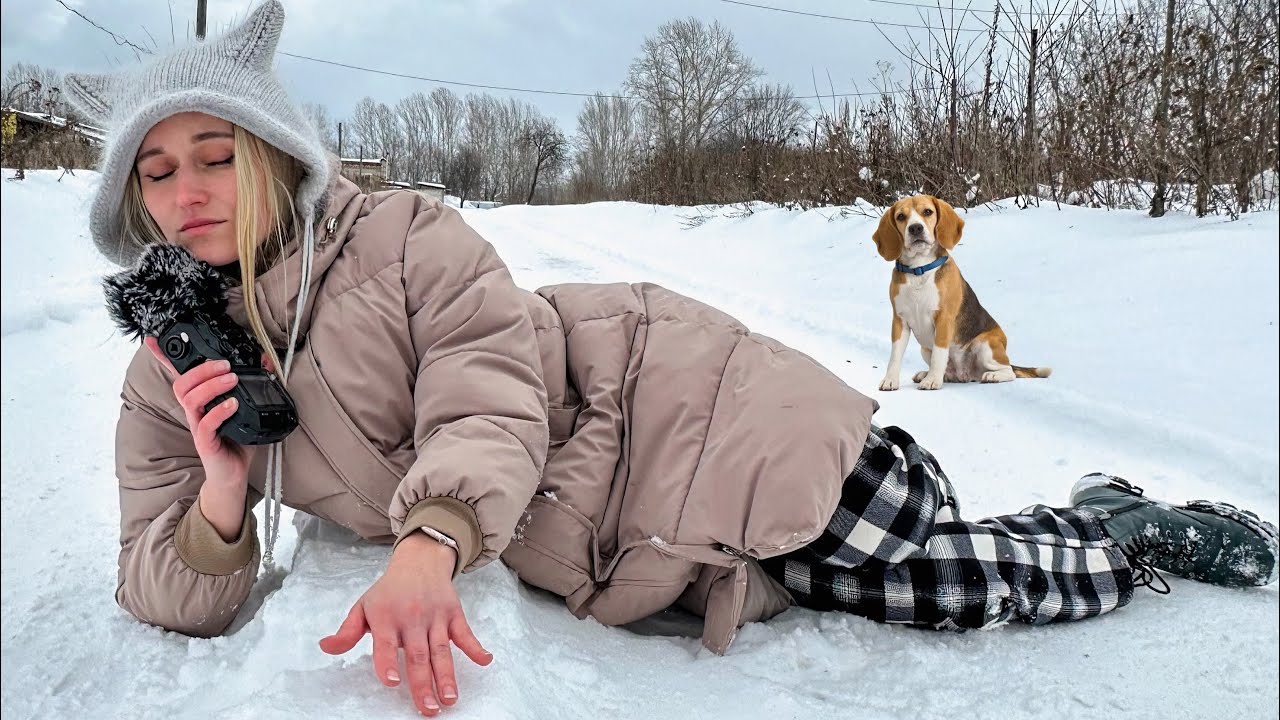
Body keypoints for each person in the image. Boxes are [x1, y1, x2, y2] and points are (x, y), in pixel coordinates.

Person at [67, 2, 1278, 717]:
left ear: (275, 155)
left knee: (929, 574)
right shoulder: (165, 375)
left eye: (214, 155)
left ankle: (1131, 536)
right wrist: (223, 490)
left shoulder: (397, 238)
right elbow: (158, 585)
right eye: (156, 172)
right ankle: (1086, 521)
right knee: (891, 573)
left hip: (679, 410)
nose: (187, 193)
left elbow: (484, 392)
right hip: (627, 530)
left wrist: (431, 542)